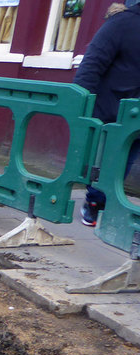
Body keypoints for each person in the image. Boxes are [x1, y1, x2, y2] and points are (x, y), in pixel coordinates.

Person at [73, 0, 140, 226]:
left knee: (124, 159)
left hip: (135, 112)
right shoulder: (121, 23)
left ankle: (105, 201)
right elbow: (92, 64)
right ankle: (95, 202)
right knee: (108, 160)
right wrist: (82, 104)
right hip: (114, 108)